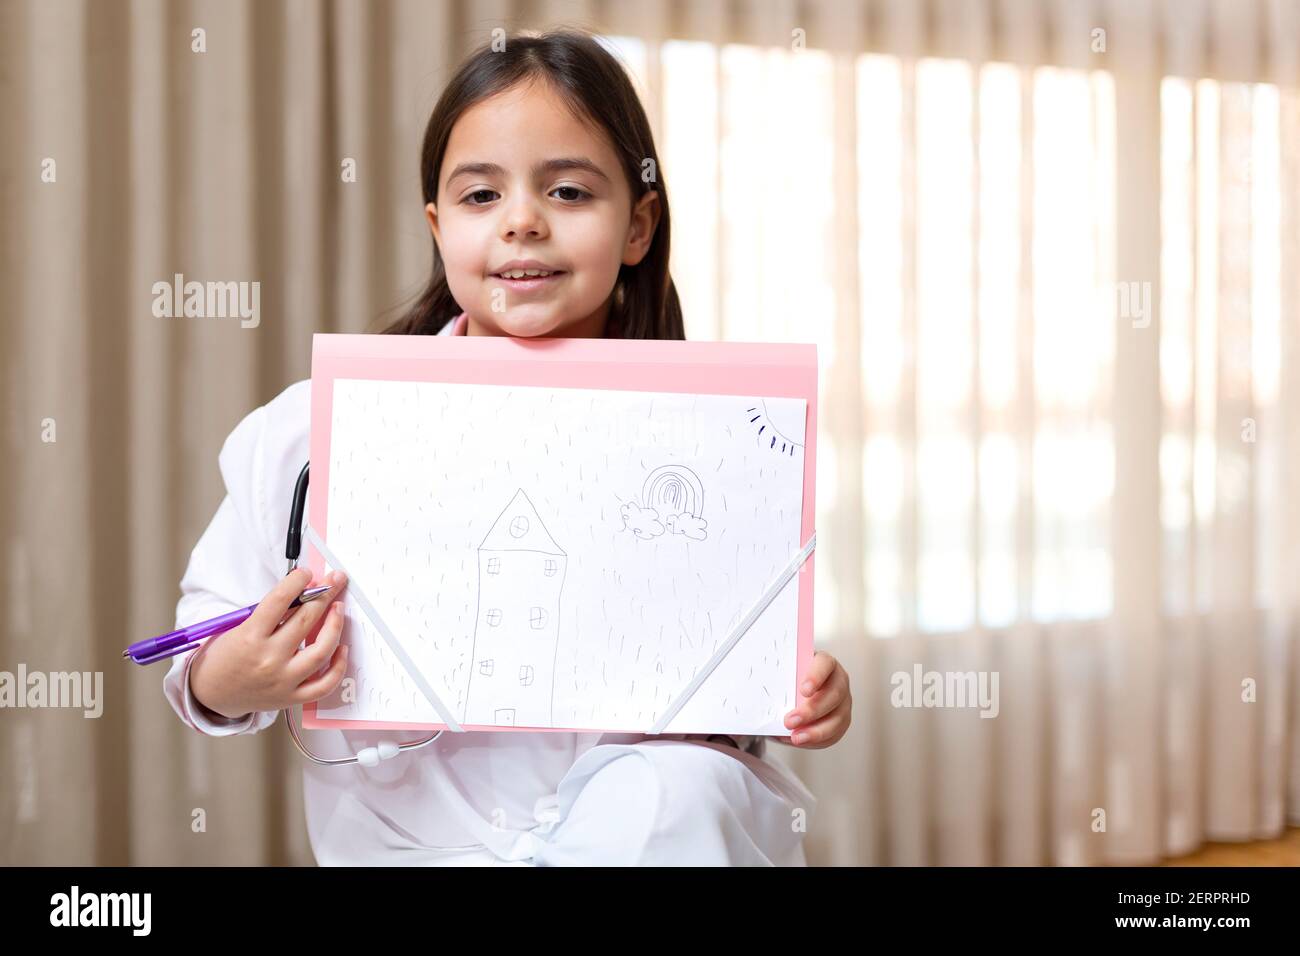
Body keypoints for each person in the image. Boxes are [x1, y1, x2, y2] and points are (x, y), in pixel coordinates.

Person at [163, 28, 852, 866]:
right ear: (437, 224)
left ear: (637, 226)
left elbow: (745, 675)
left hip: (645, 842)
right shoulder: (310, 430)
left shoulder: (721, 445)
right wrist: (237, 676)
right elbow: (202, 648)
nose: (522, 222)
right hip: (408, 845)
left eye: (566, 192)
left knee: (674, 792)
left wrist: (805, 695)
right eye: (481, 197)